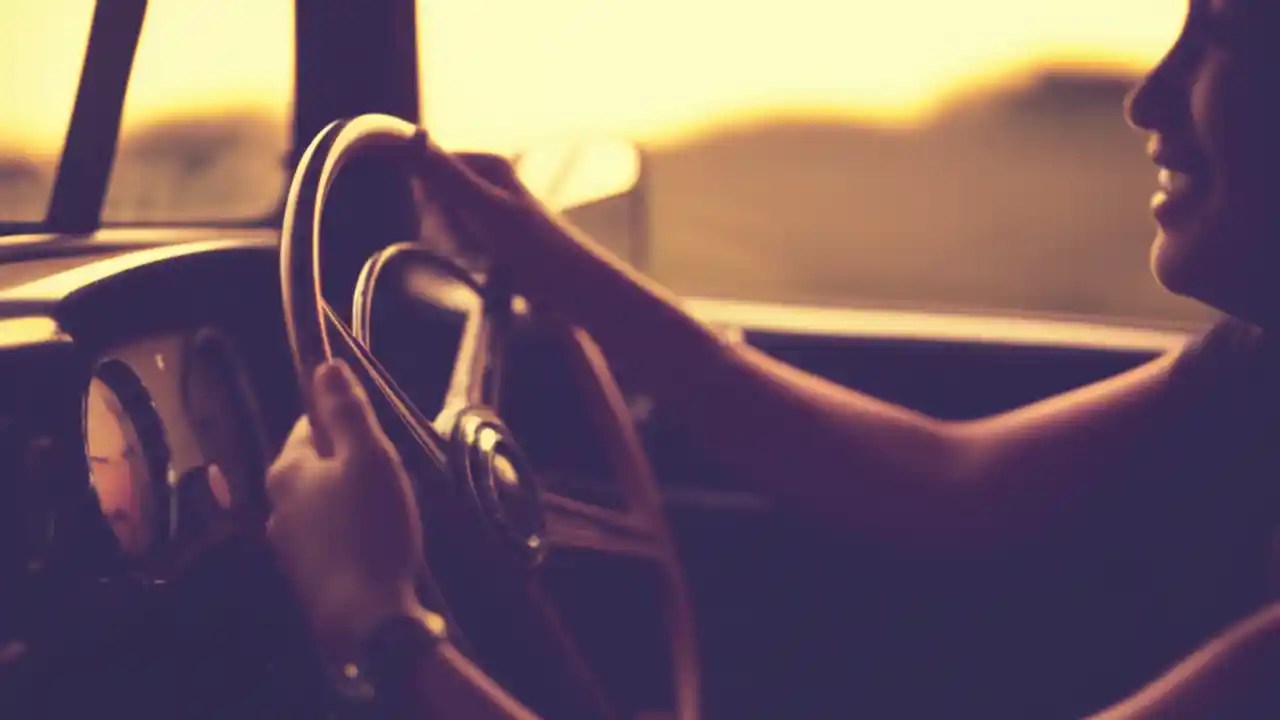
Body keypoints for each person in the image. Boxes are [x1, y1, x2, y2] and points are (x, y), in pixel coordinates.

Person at [266, 0, 1280, 715]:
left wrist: (379, 624)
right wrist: (556, 266)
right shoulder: (1253, 365)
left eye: (1219, 32)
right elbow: (942, 481)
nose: (1146, 100)